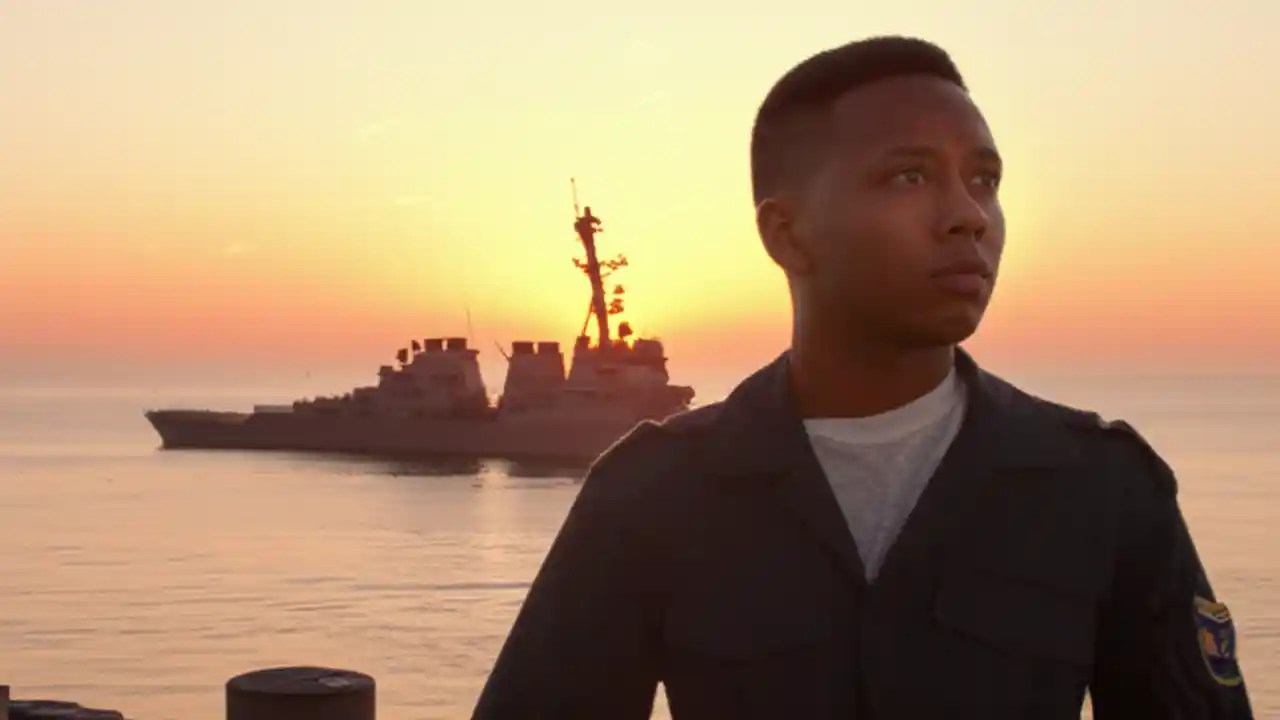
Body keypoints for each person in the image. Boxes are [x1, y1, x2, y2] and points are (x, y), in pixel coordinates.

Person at [471, 36, 1253, 719]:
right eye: (909, 178)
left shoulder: (1104, 490)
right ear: (788, 234)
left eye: (983, 180)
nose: (968, 215)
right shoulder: (650, 496)